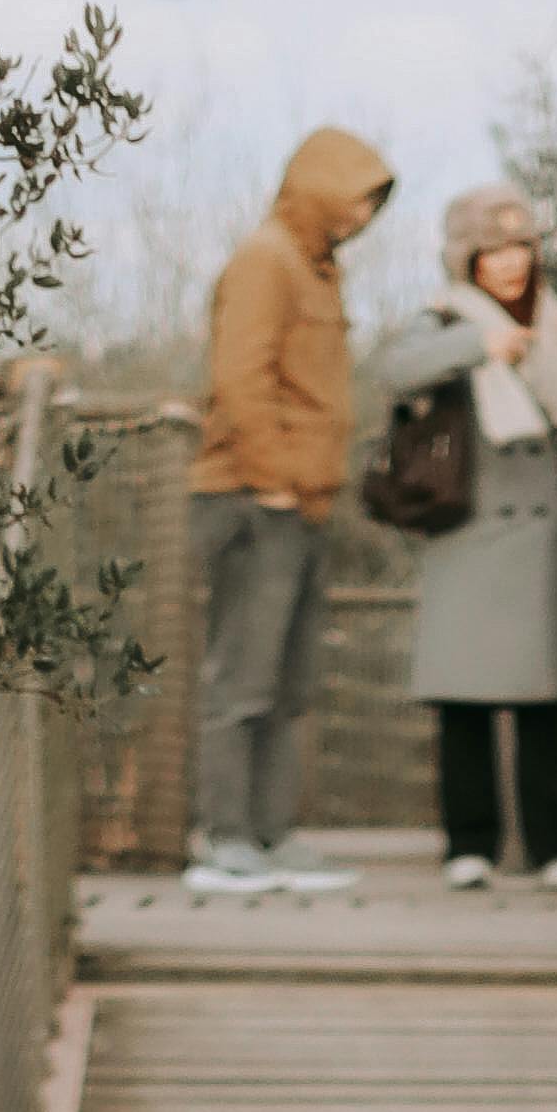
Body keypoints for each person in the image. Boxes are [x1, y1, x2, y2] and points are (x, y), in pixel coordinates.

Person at [369, 183, 557, 890]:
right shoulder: (443, 317)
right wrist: (478, 343)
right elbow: (394, 370)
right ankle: (468, 844)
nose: (508, 263)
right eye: (492, 250)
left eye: (520, 247)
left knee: (544, 700)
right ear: (467, 259)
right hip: (470, 530)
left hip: (542, 529)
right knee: (464, 699)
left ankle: (553, 847)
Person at [187, 129, 396, 894]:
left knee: (289, 678)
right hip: (252, 500)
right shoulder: (265, 260)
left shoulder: (319, 271)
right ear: (320, 186)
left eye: (372, 204)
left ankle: (274, 835)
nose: (361, 217)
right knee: (242, 675)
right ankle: (225, 839)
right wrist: (272, 479)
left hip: (303, 504)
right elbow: (240, 378)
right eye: (355, 197)